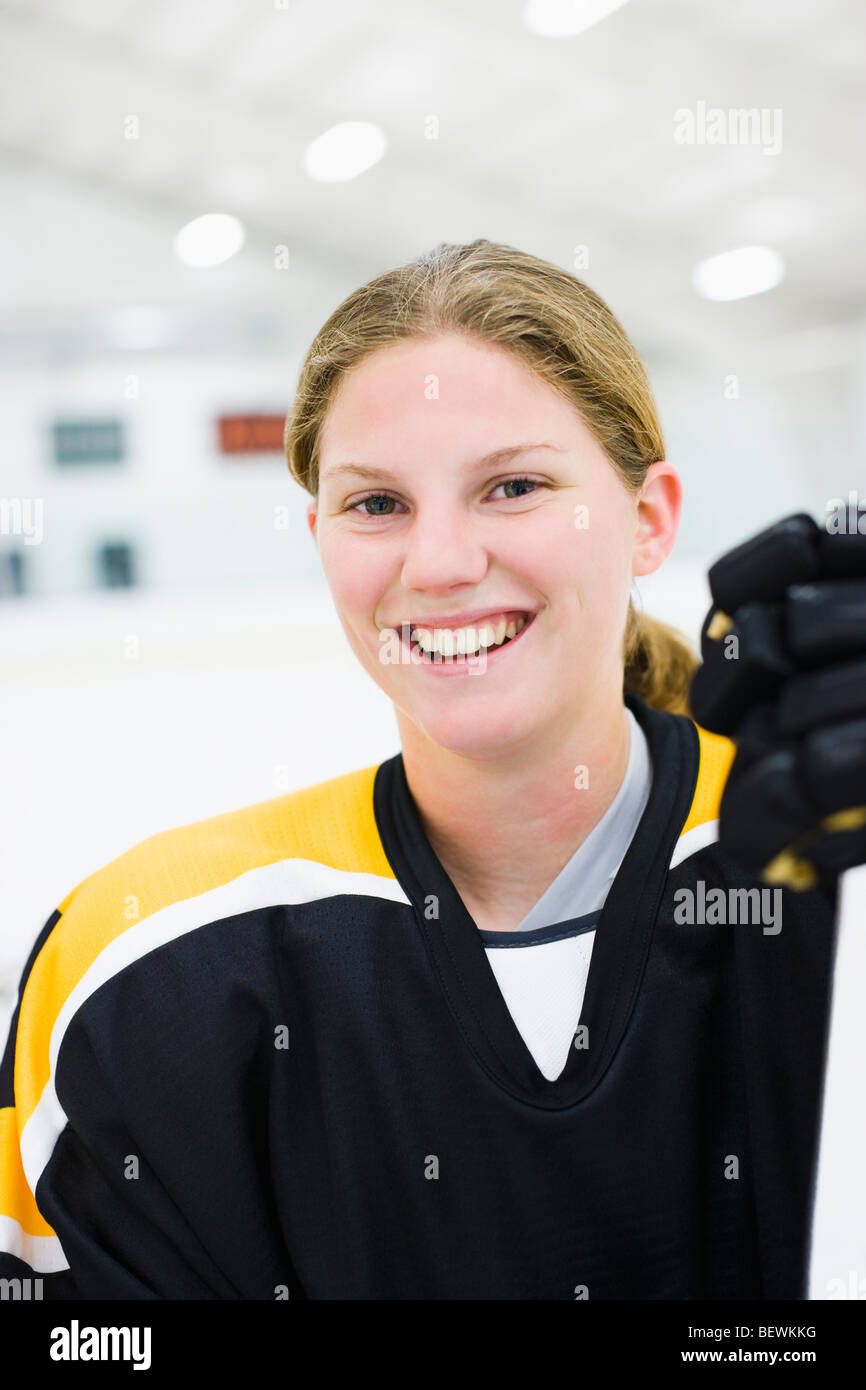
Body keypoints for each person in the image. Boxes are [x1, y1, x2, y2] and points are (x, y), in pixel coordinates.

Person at [0, 239, 842, 1299]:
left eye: (513, 486)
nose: (439, 562)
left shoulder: (824, 864)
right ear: (318, 536)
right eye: (375, 504)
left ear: (646, 518)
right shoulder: (146, 965)